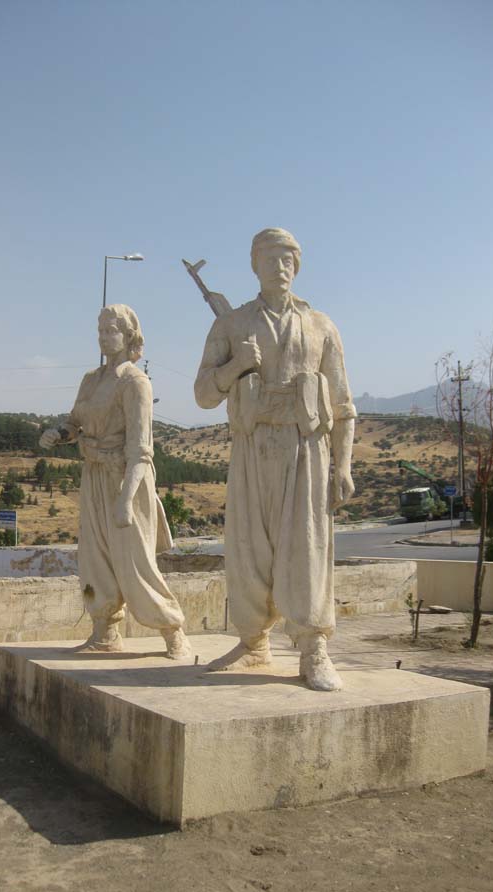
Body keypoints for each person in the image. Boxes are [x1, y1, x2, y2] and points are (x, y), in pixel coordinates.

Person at [194, 228, 356, 690]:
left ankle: (313, 647)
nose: (278, 267)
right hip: (252, 446)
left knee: (306, 547)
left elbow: (343, 405)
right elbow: (204, 393)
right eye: (269, 259)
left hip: (306, 448)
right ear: (254, 265)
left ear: (297, 266)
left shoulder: (321, 325)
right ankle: (253, 643)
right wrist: (236, 365)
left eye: (287, 259)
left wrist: (342, 465)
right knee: (247, 549)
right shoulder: (232, 323)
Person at [40, 304, 191, 660]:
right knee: (95, 558)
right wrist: (57, 433)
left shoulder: (135, 382)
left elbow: (142, 450)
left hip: (126, 478)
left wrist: (126, 497)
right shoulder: (91, 380)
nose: (104, 336)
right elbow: (75, 421)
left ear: (128, 336)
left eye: (111, 330)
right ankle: (105, 631)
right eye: (100, 330)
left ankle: (173, 630)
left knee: (134, 561)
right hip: (93, 476)